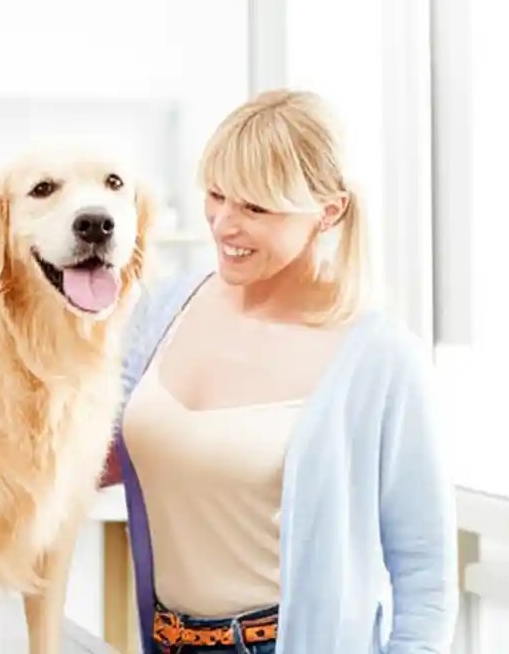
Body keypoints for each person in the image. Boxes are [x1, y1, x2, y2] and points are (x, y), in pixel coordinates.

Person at [99, 89, 457, 653]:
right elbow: (84, 451)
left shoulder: (380, 359)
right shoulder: (165, 308)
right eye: (215, 195)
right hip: (167, 641)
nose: (224, 224)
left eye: (256, 207)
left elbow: (425, 577)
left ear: (329, 211)